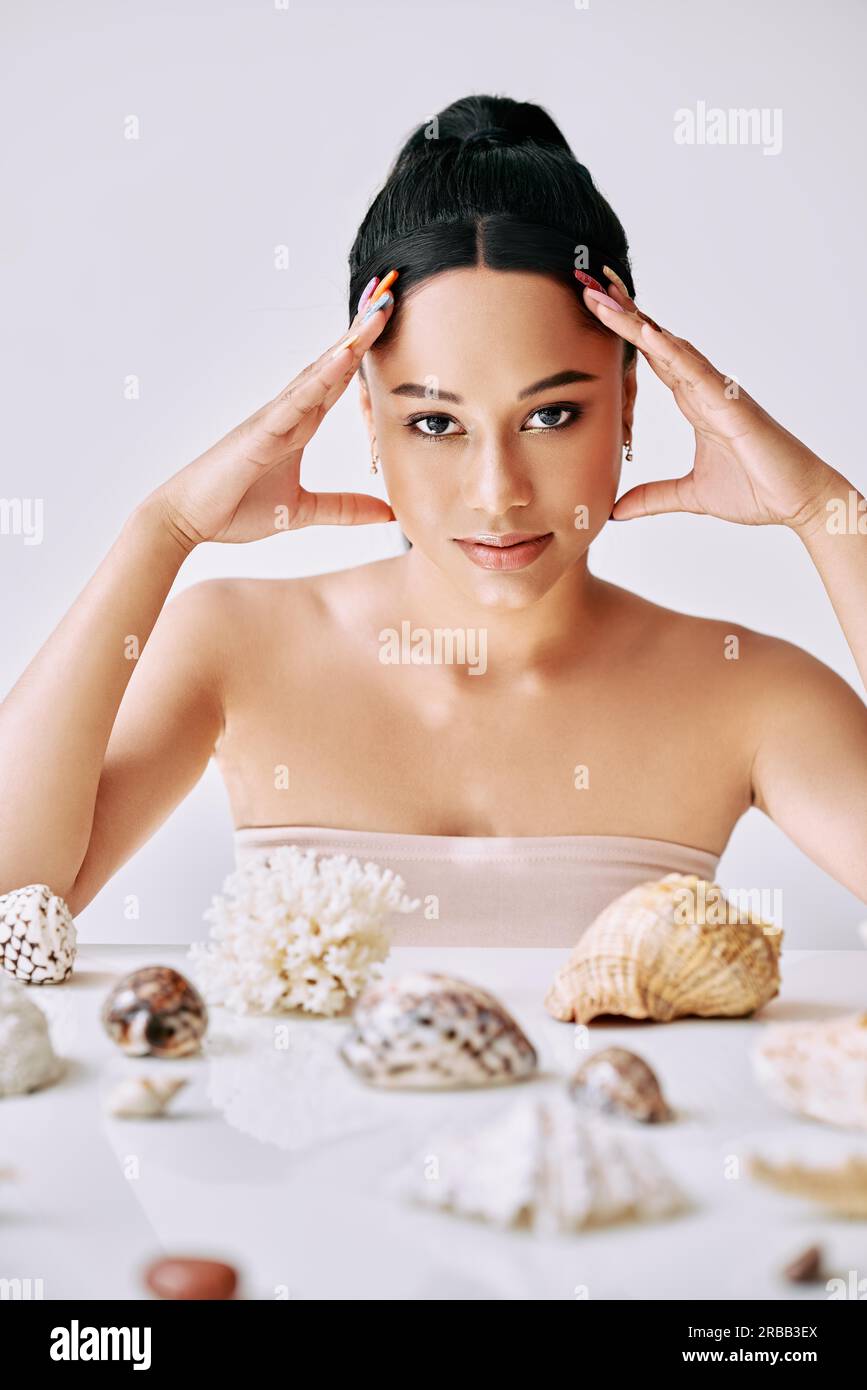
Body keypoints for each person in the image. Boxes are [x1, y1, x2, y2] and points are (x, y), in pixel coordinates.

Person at [1, 94, 865, 947]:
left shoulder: (746, 691)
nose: (497, 492)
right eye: (435, 422)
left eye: (551, 416)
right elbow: (12, 904)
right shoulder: (232, 644)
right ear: (366, 419)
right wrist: (161, 531)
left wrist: (830, 515)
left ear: (631, 401)